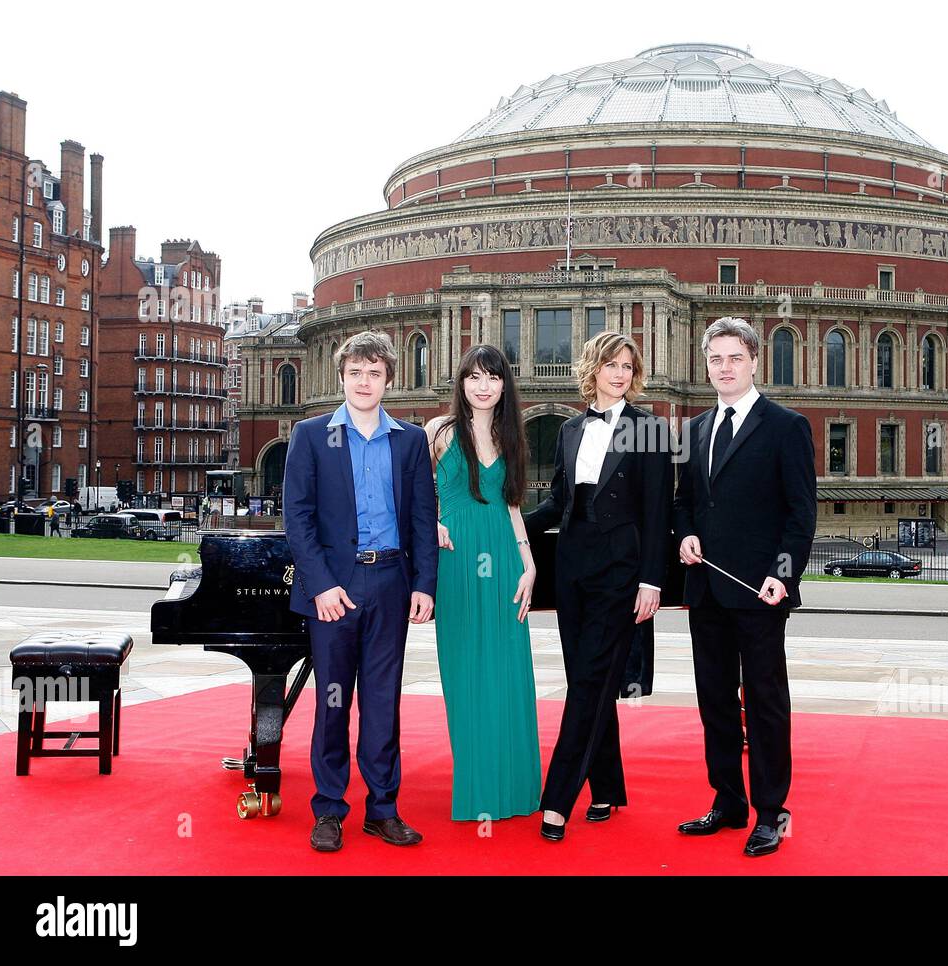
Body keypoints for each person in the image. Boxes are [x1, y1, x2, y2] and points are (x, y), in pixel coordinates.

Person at [283, 330, 437, 853]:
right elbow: (297, 520)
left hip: (391, 583)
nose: (364, 381)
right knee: (332, 703)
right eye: (355, 372)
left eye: (374, 373)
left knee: (381, 703)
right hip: (334, 588)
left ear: (388, 379)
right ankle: (329, 809)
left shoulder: (410, 441)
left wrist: (425, 585)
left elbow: (422, 517)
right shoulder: (310, 435)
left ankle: (383, 809)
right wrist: (321, 585)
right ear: (341, 377)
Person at [674, 317, 816, 857]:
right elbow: (684, 500)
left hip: (760, 595)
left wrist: (782, 576)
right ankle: (728, 800)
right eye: (715, 359)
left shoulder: (786, 426)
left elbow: (801, 515)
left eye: (734, 358)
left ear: (754, 361)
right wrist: (685, 533)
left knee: (765, 704)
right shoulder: (693, 431)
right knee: (714, 701)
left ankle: (770, 811)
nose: (724, 368)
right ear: (705, 363)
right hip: (706, 590)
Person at [526, 332, 672, 842]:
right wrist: (509, 525)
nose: (620, 374)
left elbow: (658, 512)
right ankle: (607, 786)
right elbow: (558, 503)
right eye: (611, 364)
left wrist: (653, 579)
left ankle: (558, 799)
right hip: (572, 567)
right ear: (593, 367)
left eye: (628, 366)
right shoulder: (569, 429)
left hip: (620, 570)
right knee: (592, 680)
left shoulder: (649, 430)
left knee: (587, 681)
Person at [426, 345, 541, 822]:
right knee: (464, 670)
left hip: (504, 563)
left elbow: (512, 505)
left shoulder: (510, 435)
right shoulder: (438, 432)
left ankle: (515, 785)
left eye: (492, 377)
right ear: (461, 383)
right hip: (455, 561)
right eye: (473, 376)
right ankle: (476, 785)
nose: (482, 385)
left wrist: (530, 563)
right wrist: (430, 521)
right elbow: (412, 491)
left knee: (508, 670)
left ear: (503, 385)